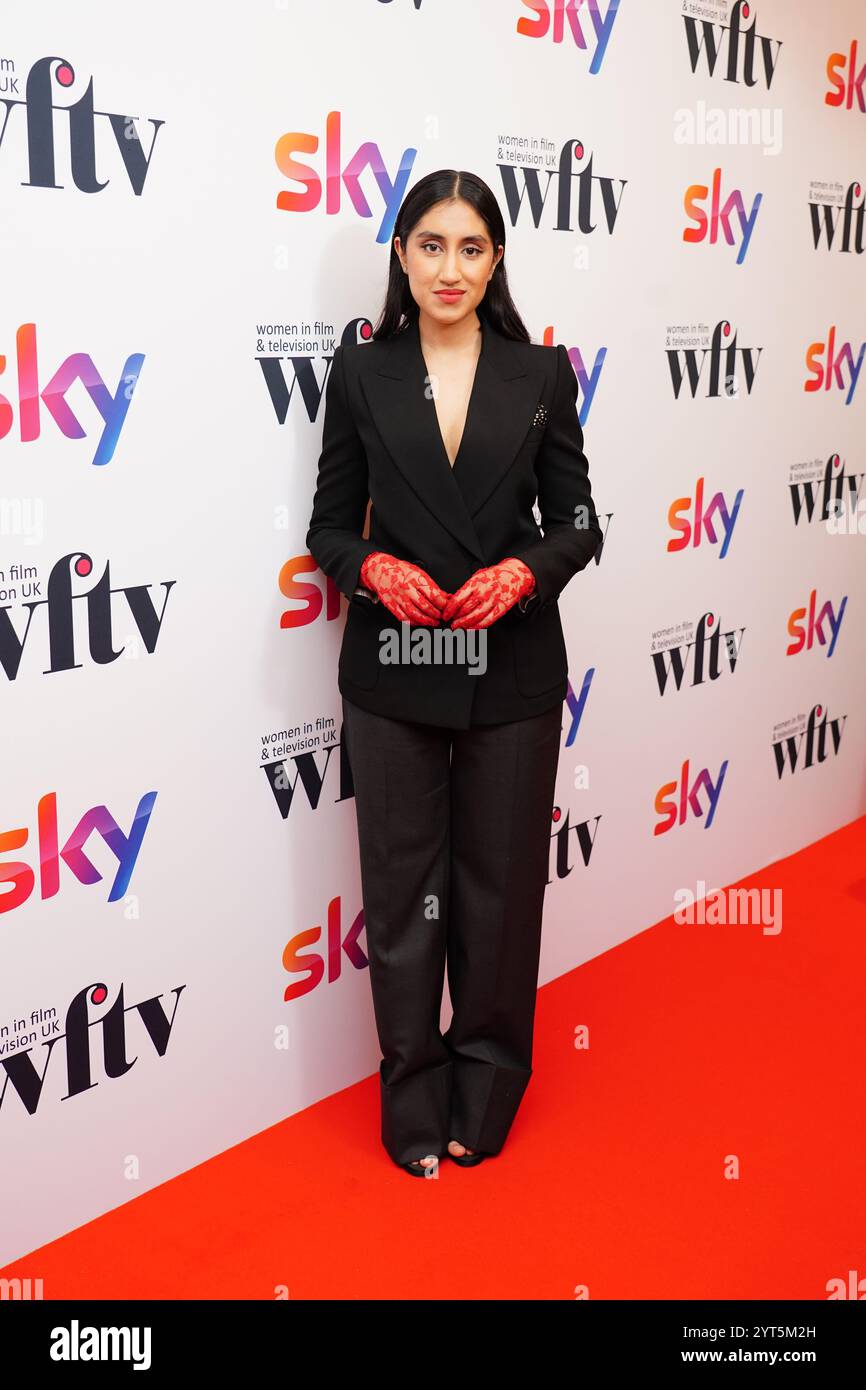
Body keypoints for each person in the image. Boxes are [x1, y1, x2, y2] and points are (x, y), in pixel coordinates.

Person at [306, 168, 602, 1177]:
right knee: (398, 899)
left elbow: (577, 523)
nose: (448, 267)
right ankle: (412, 1108)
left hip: (508, 666)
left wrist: (523, 571)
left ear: (496, 259)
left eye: (469, 247)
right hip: (393, 667)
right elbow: (328, 528)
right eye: (429, 245)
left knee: (498, 891)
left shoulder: (542, 373)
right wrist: (369, 567)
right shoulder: (360, 374)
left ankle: (486, 1092)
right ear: (399, 255)